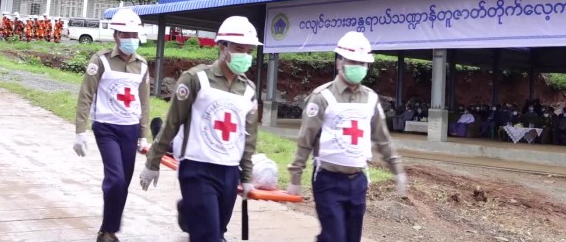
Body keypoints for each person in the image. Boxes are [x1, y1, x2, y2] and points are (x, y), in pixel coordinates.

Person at [140, 16, 261, 242]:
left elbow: (248, 137)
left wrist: (246, 176)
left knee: (218, 231)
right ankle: (192, 212)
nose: (244, 55)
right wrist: (152, 162)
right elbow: (172, 123)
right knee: (209, 236)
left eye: (249, 51)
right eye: (238, 49)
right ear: (222, 47)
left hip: (229, 172)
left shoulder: (249, 91)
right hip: (197, 168)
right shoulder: (195, 79)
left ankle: (188, 213)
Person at [286, 31, 407, 242]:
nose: (358, 67)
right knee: (334, 236)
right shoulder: (322, 96)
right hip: (328, 180)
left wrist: (397, 169)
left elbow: (382, 138)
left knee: (351, 238)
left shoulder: (371, 99)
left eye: (362, 63)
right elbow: (306, 139)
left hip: (357, 181)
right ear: (339, 63)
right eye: (353, 61)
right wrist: (295, 176)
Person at [73, 8, 151, 242]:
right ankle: (108, 230)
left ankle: (108, 231)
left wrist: (143, 134)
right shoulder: (101, 60)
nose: (131, 40)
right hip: (106, 127)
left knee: (123, 183)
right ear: (116, 35)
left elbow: (144, 102)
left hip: (130, 129)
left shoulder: (142, 65)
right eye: (126, 35)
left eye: (134, 35)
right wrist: (80, 131)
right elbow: (86, 95)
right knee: (115, 179)